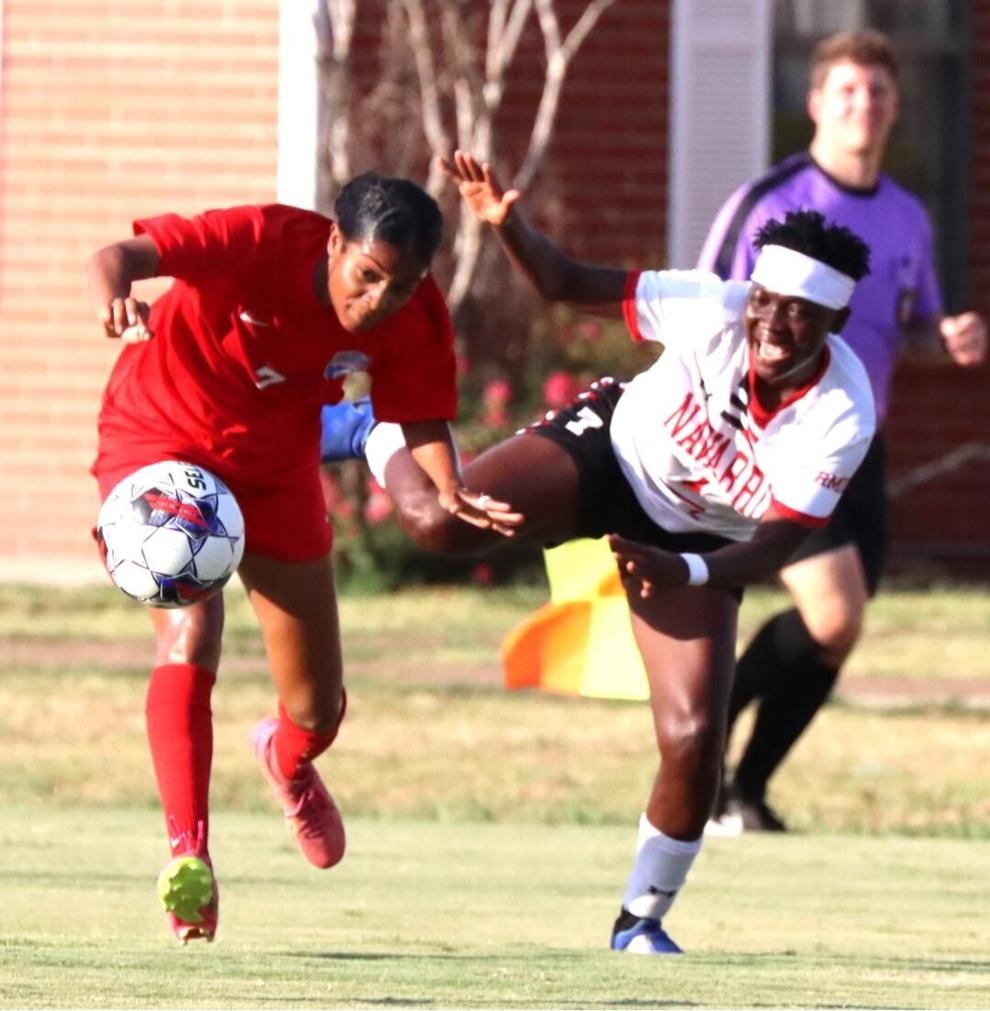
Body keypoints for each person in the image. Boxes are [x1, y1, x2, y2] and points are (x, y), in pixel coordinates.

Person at [328, 149, 876, 953]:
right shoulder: (712, 305)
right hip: (609, 454)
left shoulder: (843, 410)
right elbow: (564, 282)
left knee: (694, 736)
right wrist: (507, 224)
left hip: (699, 539)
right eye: (765, 300)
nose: (770, 323)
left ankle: (640, 920)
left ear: (835, 324)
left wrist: (687, 568)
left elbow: (776, 544)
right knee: (442, 522)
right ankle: (366, 429)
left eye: (799, 312)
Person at [87, 175, 516, 944]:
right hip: (162, 437)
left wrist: (451, 487)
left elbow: (419, 414)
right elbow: (119, 255)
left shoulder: (416, 312)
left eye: (403, 284)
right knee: (191, 631)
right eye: (369, 275)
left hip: (276, 467)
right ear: (333, 242)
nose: (381, 300)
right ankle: (189, 857)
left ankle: (286, 763)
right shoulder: (258, 240)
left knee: (317, 708)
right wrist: (115, 295)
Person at [697, 29, 987, 834]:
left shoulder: (908, 216)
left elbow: (913, 327)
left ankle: (744, 790)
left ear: (896, 107)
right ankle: (701, 741)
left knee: (837, 632)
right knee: (834, 613)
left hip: (862, 445)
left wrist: (948, 339)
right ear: (817, 102)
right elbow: (706, 312)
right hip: (778, 439)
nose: (865, 104)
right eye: (848, 90)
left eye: (879, 91)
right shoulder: (772, 202)